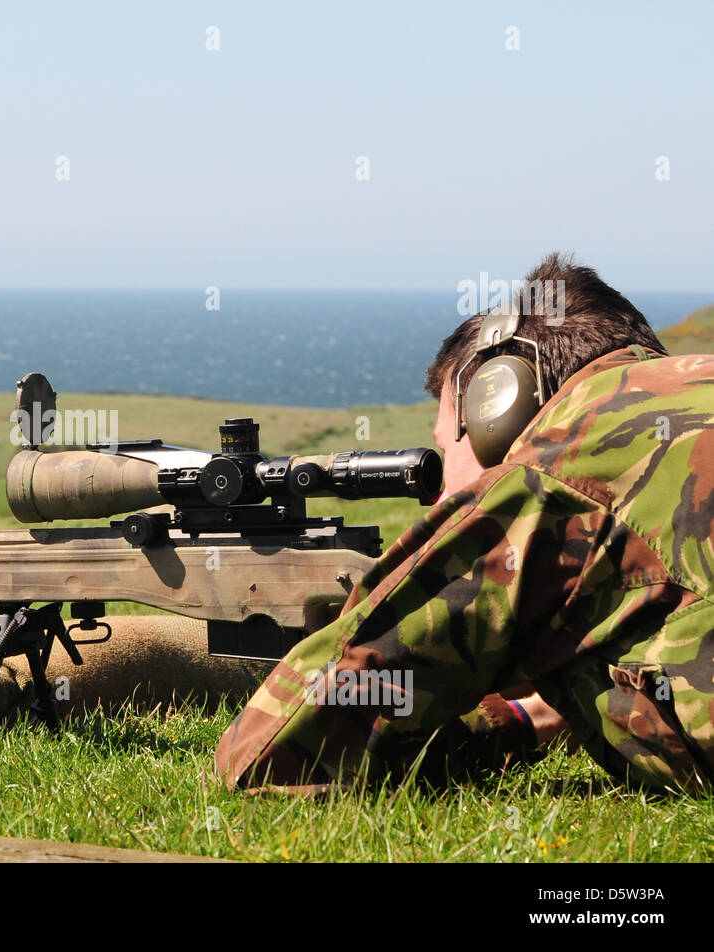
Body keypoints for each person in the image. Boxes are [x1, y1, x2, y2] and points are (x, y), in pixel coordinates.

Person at [215, 252, 714, 793]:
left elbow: (264, 755)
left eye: (443, 449)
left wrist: (484, 722)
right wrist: (539, 715)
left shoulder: (551, 470)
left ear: (495, 410)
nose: (441, 502)